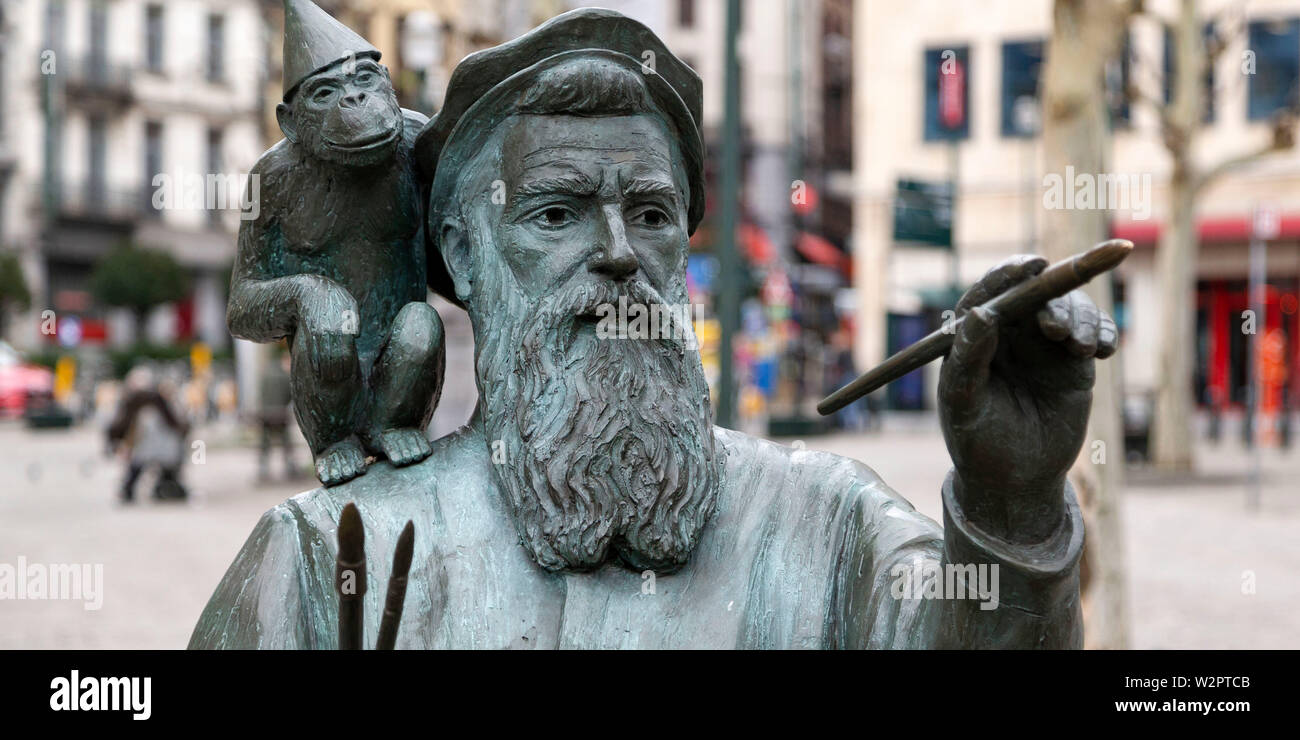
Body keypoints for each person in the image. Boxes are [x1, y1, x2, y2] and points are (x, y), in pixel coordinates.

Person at [191, 8, 1116, 649]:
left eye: (652, 214)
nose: (618, 254)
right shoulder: (327, 558)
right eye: (555, 215)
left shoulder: (831, 527)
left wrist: (1010, 508)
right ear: (462, 258)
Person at [107, 366, 189, 503]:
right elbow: (177, 424)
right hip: (160, 447)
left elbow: (119, 426)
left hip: (153, 447)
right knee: (146, 466)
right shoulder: (154, 402)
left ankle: (160, 487)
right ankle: (162, 486)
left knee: (139, 466)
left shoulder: (137, 403)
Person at [257, 350, 296, 482]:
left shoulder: (266, 374)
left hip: (266, 413)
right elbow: (290, 395)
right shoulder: (284, 376)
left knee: (265, 442)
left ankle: (263, 469)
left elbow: (261, 394)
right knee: (285, 441)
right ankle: (290, 467)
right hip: (280, 414)